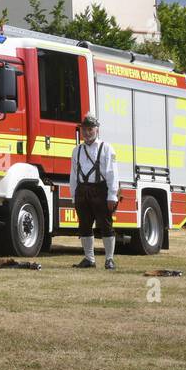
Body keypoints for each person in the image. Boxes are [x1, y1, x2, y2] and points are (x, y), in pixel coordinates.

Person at [69, 112, 120, 270]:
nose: (87, 132)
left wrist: (112, 195)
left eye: (90, 129)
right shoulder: (76, 150)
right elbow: (73, 174)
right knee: (84, 225)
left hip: (100, 190)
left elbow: (112, 173)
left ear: (97, 130)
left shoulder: (106, 148)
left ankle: (109, 259)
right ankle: (89, 259)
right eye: (85, 129)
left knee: (106, 225)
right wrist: (73, 196)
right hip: (82, 191)